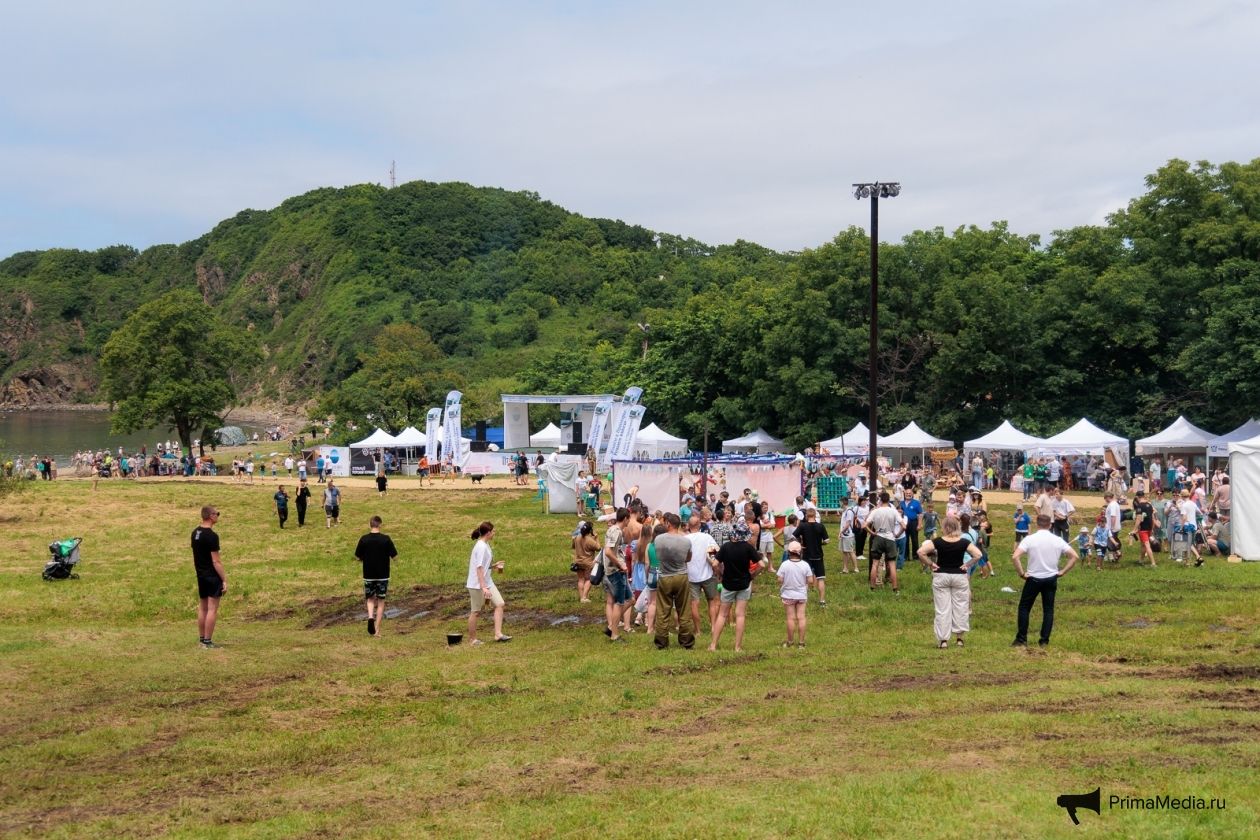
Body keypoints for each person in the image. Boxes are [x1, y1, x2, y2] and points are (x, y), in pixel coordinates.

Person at [1010, 514, 1079, 647]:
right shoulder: (1057, 540)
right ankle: (1044, 640)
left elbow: (1015, 557)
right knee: (1048, 609)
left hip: (1033, 578)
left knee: (1024, 608)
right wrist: (1063, 571)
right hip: (1051, 577)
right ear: (1050, 525)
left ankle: (1021, 639)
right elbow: (1074, 556)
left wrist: (1022, 574)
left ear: (1036, 525)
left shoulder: (1030, 539)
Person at [918, 515, 983, 648]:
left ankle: (943, 641)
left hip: (941, 575)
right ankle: (959, 639)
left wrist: (931, 564)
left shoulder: (938, 541)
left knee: (942, 609)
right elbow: (978, 554)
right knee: (960, 607)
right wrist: (968, 564)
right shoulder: (963, 542)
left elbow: (921, 551)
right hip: (959, 576)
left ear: (944, 527)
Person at [707, 524, 764, 652]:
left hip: (728, 583)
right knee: (740, 615)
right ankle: (737, 647)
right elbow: (761, 565)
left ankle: (713, 645)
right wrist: (752, 576)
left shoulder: (726, 547)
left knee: (722, 614)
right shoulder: (749, 548)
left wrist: (719, 574)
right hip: (744, 584)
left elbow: (715, 563)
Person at [652, 512, 695, 650]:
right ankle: (686, 641)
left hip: (664, 576)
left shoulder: (658, 539)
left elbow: (658, 556)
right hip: (681, 575)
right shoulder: (686, 541)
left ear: (668, 524)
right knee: (684, 610)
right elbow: (688, 558)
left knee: (663, 610)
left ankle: (661, 641)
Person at [466, 521, 509, 644]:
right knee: (476, 612)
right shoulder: (481, 548)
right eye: (493, 531)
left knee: (500, 604)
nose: (494, 533)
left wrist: (493, 566)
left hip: (487, 582)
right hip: (477, 585)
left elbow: (483, 566)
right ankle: (472, 640)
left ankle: (498, 634)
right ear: (488, 533)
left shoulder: (486, 545)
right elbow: (478, 569)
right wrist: (484, 587)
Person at [355, 516, 398, 637]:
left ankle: (370, 617)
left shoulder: (364, 539)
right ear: (380, 525)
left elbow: (357, 557)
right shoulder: (386, 539)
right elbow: (394, 557)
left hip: (368, 575)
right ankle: (377, 630)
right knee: (381, 601)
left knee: (370, 598)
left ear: (370, 525)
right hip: (383, 575)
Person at [192, 505, 226, 649]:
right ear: (211, 516)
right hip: (212, 576)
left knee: (203, 608)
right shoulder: (212, 536)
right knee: (212, 609)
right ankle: (207, 641)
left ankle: (201, 640)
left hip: (200, 575)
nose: (218, 515)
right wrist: (224, 579)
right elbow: (216, 561)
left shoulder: (195, 533)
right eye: (217, 513)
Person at [602, 509, 633, 642]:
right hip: (616, 572)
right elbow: (608, 551)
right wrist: (620, 565)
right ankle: (614, 635)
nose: (629, 521)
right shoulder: (616, 531)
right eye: (629, 518)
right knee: (619, 603)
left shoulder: (613, 529)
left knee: (631, 600)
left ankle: (611, 626)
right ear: (625, 519)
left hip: (616, 571)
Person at [777, 540, 814, 648]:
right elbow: (810, 580)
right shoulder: (805, 565)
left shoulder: (785, 565)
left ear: (789, 552)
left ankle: (790, 642)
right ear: (800, 552)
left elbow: (780, 579)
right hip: (801, 594)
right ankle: (801, 643)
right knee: (801, 617)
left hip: (788, 594)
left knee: (790, 618)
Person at [687, 515, 720, 632]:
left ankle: (698, 631)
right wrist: (716, 569)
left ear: (688, 526)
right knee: (711, 601)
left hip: (691, 575)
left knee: (694, 603)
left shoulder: (686, 539)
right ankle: (713, 627)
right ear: (699, 525)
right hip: (707, 573)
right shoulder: (707, 537)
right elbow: (715, 552)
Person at [866, 492, 903, 595]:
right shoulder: (894, 511)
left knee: (875, 564)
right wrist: (897, 534)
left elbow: (864, 525)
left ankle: (872, 588)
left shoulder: (875, 511)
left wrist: (873, 533)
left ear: (880, 499)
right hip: (890, 538)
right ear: (889, 499)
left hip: (878, 537)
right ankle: (895, 589)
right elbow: (904, 526)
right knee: (891, 564)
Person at [794, 507, 830, 606]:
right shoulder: (820, 526)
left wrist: (799, 545)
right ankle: (822, 601)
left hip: (806, 555)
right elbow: (827, 540)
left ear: (806, 516)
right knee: (820, 578)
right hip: (818, 555)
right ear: (815, 516)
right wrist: (821, 544)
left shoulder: (802, 526)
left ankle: (803, 599)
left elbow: (792, 536)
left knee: (805, 579)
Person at [572, 520, 599, 602]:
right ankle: (584, 597)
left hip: (578, 562)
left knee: (581, 579)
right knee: (588, 579)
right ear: (590, 531)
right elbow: (598, 548)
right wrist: (596, 538)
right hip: (588, 563)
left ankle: (581, 597)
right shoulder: (589, 540)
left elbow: (573, 546)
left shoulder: (577, 537)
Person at [1132, 489, 1157, 567]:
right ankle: (1141, 560)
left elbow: (1138, 518)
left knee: (1147, 545)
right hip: (1149, 528)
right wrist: (1152, 528)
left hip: (1143, 529)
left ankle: (1153, 563)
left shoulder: (1140, 506)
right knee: (1143, 545)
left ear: (1137, 497)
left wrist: (1134, 529)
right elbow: (1153, 517)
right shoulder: (1149, 505)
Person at [839, 498, 859, 574]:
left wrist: (840, 532)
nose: (839, 504)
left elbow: (847, 524)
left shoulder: (849, 511)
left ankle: (856, 568)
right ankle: (845, 568)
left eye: (840, 502)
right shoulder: (844, 511)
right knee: (844, 551)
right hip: (844, 534)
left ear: (842, 502)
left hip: (848, 534)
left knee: (850, 551)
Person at [1103, 492, 1124, 562]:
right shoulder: (1115, 504)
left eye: (1105, 498)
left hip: (1112, 527)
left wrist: (1112, 527)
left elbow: (1113, 516)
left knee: (1110, 542)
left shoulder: (1112, 505)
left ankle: (1118, 553)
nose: (1105, 500)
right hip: (1115, 526)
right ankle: (1116, 557)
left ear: (1108, 497)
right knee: (1113, 541)